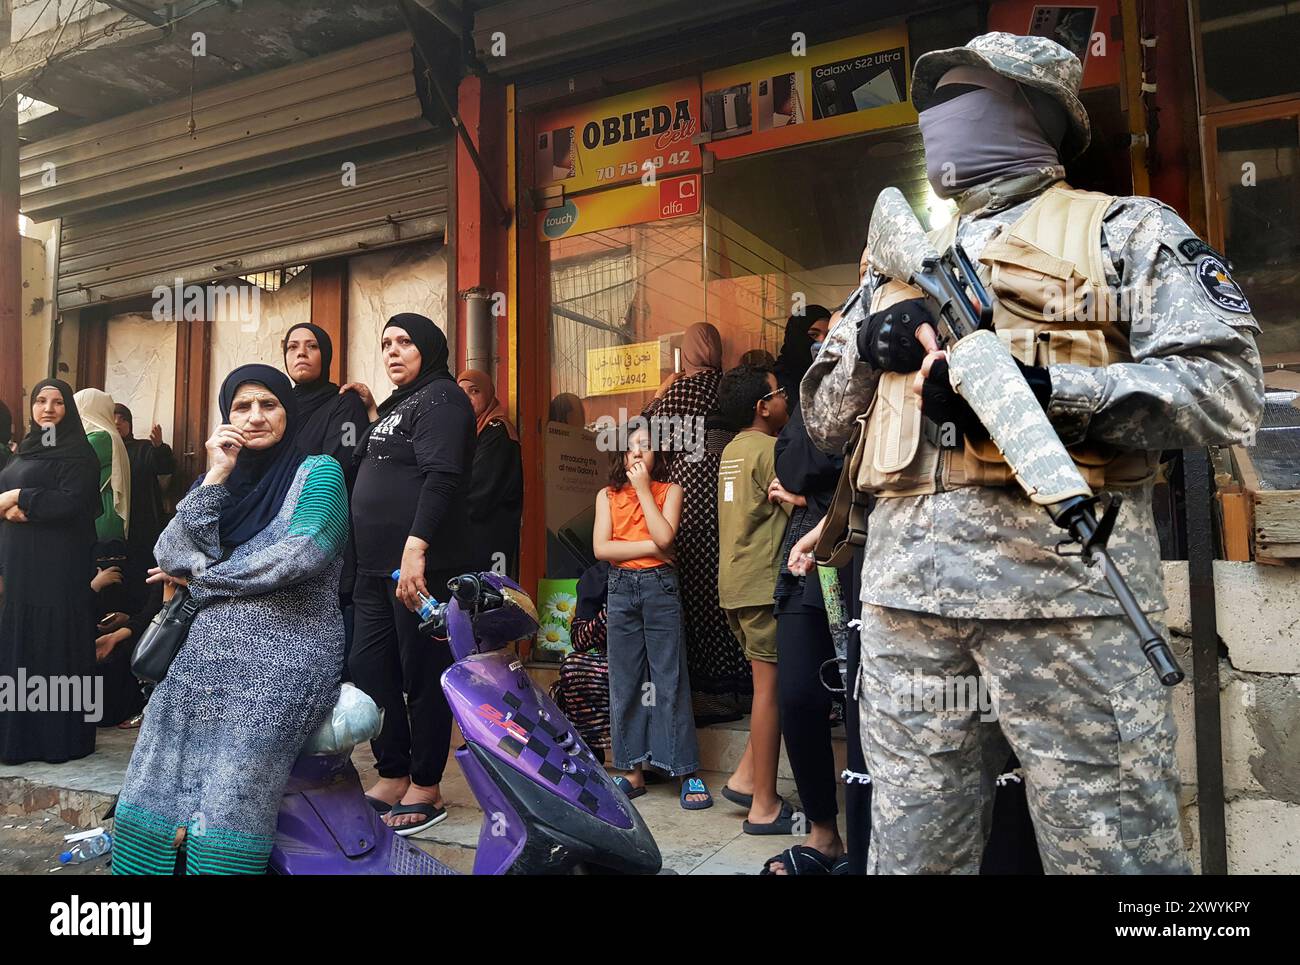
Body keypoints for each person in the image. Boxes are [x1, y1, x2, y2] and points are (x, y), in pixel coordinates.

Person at [802, 32, 1265, 874]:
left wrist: (1050, 391)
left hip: (1069, 604)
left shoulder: (1123, 230)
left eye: (962, 92)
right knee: (908, 857)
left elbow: (1227, 390)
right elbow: (826, 426)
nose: (939, 115)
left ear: (1032, 109)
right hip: (909, 609)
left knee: (1113, 858)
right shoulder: (892, 266)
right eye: (933, 98)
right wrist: (870, 347)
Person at [112, 365, 348, 874]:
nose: (255, 416)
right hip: (202, 658)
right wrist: (217, 471)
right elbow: (169, 549)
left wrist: (203, 580)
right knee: (158, 765)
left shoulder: (320, 472)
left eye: (269, 405)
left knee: (235, 787)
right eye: (242, 407)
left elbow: (300, 554)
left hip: (286, 660)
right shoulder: (214, 483)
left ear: (289, 411)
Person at [343, 313, 477, 835]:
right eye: (385, 344)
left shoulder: (443, 398)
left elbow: (442, 478)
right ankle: (393, 771)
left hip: (419, 567)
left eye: (404, 342)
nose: (393, 351)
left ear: (428, 348)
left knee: (422, 675)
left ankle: (426, 784)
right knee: (371, 668)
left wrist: (416, 548)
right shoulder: (401, 405)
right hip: (374, 569)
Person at [761, 338, 851, 874]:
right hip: (804, 564)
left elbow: (860, 470)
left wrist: (815, 491)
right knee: (796, 695)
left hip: (861, 555)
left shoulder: (882, 384)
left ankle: (870, 837)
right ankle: (824, 833)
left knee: (867, 706)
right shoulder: (808, 399)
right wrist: (815, 488)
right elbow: (795, 466)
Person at [594, 424, 711, 809]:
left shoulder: (669, 491)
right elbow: (601, 549)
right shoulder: (606, 495)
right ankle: (631, 770)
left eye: (646, 447)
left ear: (657, 455)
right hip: (621, 587)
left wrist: (644, 492)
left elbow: (666, 536)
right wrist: (654, 548)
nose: (639, 455)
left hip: (660, 587)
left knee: (669, 676)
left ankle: (684, 770)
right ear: (621, 456)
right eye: (632, 449)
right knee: (625, 679)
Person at [642, 322, 750, 724]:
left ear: (686, 352)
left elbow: (642, 437)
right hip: (729, 502)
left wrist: (657, 396)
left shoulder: (681, 390)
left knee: (696, 596)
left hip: (686, 506)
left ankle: (709, 694)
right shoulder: (726, 387)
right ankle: (741, 687)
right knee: (723, 594)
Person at [0, 380, 101, 765]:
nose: (48, 408)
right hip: (20, 563)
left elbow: (71, 503)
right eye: (40, 401)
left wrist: (18, 498)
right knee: (21, 640)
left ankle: (60, 738)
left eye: (58, 402)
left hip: (59, 565)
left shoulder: (80, 454)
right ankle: (19, 737)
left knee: (55, 638)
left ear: (69, 411)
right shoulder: (24, 449)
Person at [714, 365, 795, 834]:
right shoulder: (771, 449)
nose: (787, 401)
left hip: (735, 587)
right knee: (769, 693)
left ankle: (746, 778)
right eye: (781, 393)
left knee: (768, 687)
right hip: (764, 585)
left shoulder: (732, 450)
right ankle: (763, 806)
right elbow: (793, 500)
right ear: (763, 407)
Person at [456, 369, 523, 576]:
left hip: (488, 534)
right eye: (461, 393)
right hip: (473, 533)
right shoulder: (470, 429)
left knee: (486, 596)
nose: (467, 398)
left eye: (474, 391)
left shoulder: (496, 431)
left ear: (488, 394)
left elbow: (479, 490)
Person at [550, 560, 612, 761]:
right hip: (611, 663)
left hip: (650, 663)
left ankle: (649, 758)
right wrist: (612, 611)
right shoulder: (597, 577)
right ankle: (591, 747)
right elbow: (579, 640)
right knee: (570, 671)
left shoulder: (656, 570)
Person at [112, 403, 176, 596]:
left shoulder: (143, 448)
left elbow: (164, 468)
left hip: (141, 521)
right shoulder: (103, 449)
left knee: (140, 573)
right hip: (112, 523)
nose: (117, 422)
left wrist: (159, 448)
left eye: (122, 419)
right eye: (113, 417)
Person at [75, 388, 131, 548]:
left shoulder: (101, 438)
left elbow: (61, 464)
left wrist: (48, 429)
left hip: (100, 520)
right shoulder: (106, 436)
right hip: (99, 517)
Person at [773, 306, 831, 394]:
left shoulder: (834, 377)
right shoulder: (775, 383)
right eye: (813, 335)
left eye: (829, 336)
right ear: (796, 336)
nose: (823, 342)